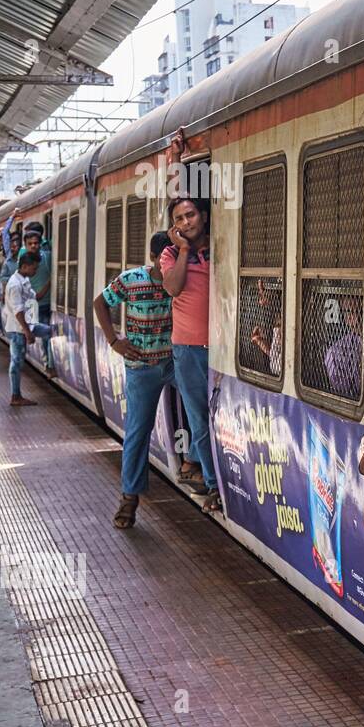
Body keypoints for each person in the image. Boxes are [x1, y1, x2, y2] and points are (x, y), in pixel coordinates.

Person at [93, 232, 174, 529]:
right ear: (154, 258)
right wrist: (114, 341)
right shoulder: (131, 279)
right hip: (140, 367)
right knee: (138, 433)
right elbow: (100, 303)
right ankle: (129, 499)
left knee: (200, 405)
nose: (169, 265)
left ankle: (195, 467)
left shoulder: (178, 280)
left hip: (172, 363)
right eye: (165, 259)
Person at [161, 191, 220, 513]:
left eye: (190, 215)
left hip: (224, 348)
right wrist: (184, 249)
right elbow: (173, 287)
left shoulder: (221, 247)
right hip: (189, 350)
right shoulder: (171, 254)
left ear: (204, 216)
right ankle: (213, 485)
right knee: (199, 420)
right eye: (179, 219)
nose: (186, 222)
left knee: (222, 418)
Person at [3, 250, 52, 407]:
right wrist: (28, 333)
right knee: (16, 361)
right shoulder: (14, 285)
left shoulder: (24, 280)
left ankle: (50, 364)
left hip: (28, 325)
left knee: (51, 332)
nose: (36, 271)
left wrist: (50, 283)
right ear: (24, 266)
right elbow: (18, 312)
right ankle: (15, 396)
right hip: (19, 329)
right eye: (34, 268)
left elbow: (35, 297)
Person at [22, 229, 54, 373]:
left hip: (48, 303)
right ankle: (48, 364)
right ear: (26, 245)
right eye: (30, 244)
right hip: (34, 304)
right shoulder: (23, 261)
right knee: (43, 335)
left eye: (36, 243)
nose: (34, 246)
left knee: (47, 335)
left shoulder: (47, 257)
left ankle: (49, 363)